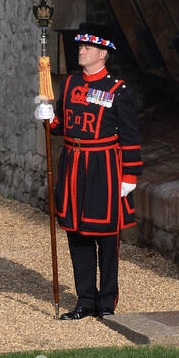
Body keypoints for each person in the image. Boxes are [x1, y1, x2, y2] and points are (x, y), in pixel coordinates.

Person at [35, 22, 141, 319]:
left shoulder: (118, 90)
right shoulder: (69, 85)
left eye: (87, 47)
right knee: (77, 234)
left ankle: (107, 301)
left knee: (106, 236)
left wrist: (129, 176)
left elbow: (131, 137)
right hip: (73, 165)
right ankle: (85, 299)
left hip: (104, 167)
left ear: (103, 54)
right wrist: (49, 118)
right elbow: (61, 128)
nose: (81, 50)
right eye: (80, 46)